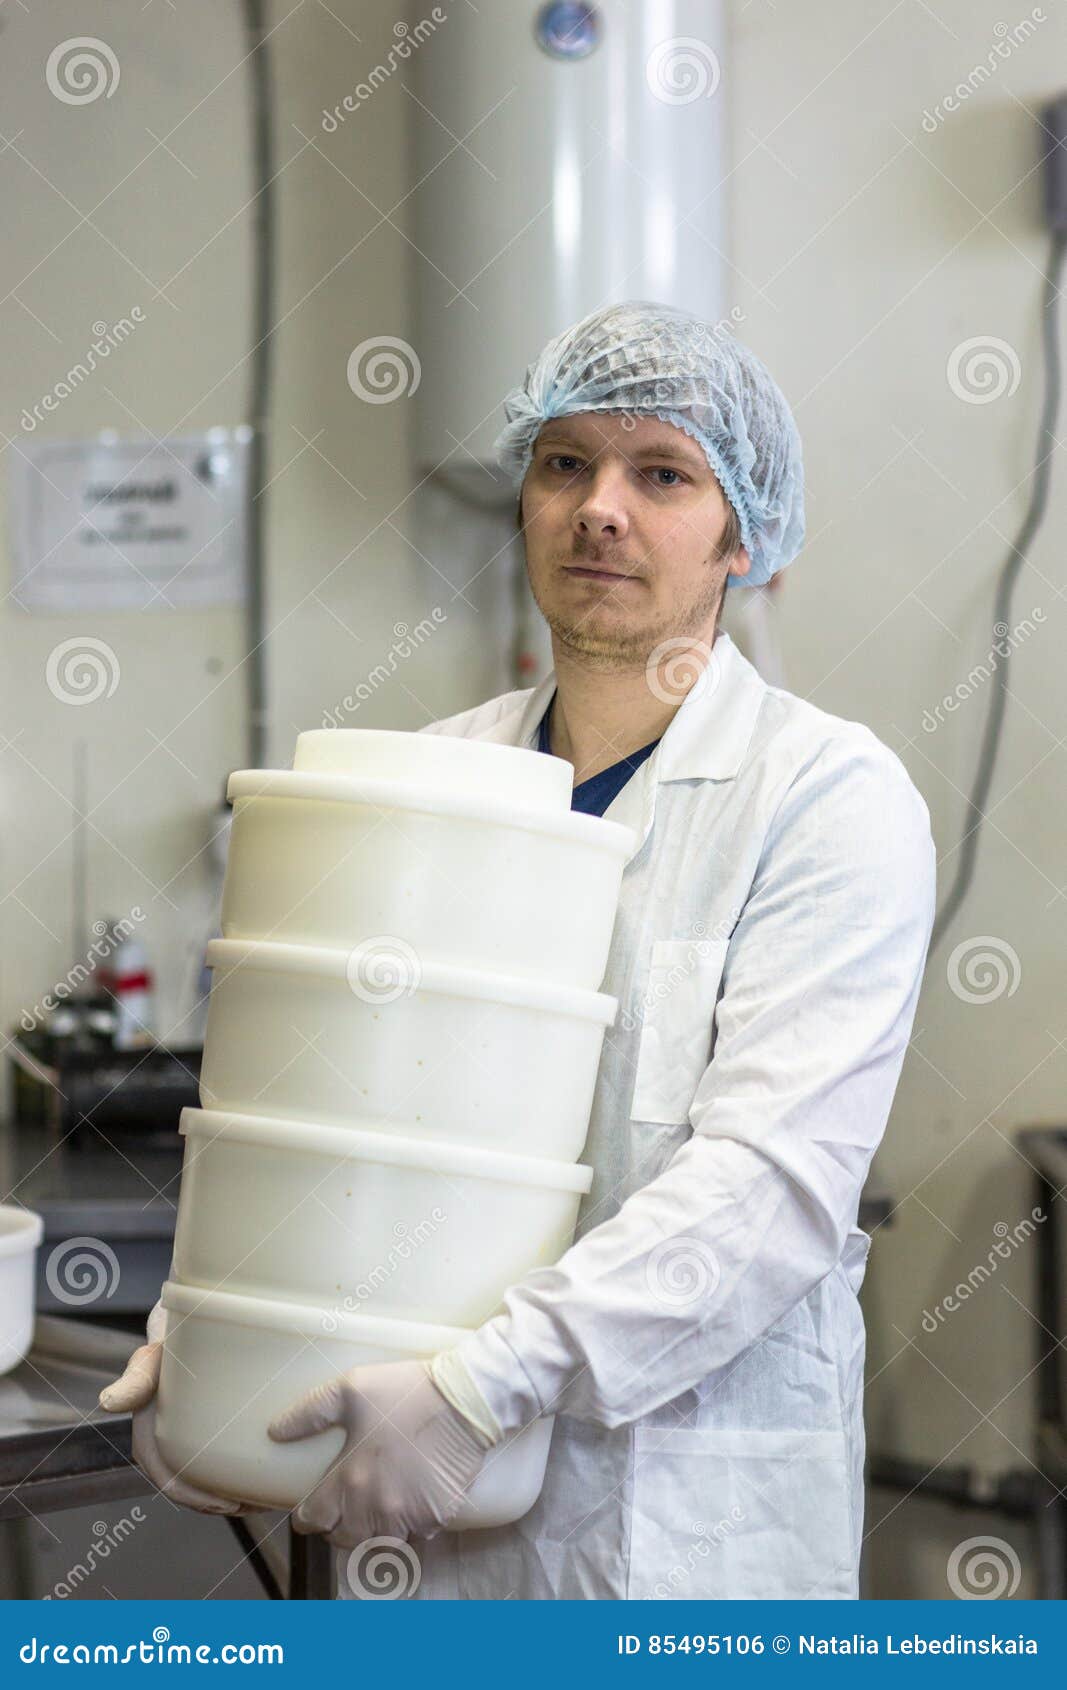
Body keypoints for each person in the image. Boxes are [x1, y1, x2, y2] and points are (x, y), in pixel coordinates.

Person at [100, 300, 936, 1601]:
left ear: (743, 534)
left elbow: (770, 1188)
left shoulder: (827, 797)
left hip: (684, 1540)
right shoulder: (436, 774)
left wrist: (479, 1383)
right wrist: (209, 1339)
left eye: (661, 472)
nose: (600, 506)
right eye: (565, 464)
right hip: (426, 1545)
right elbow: (318, 1115)